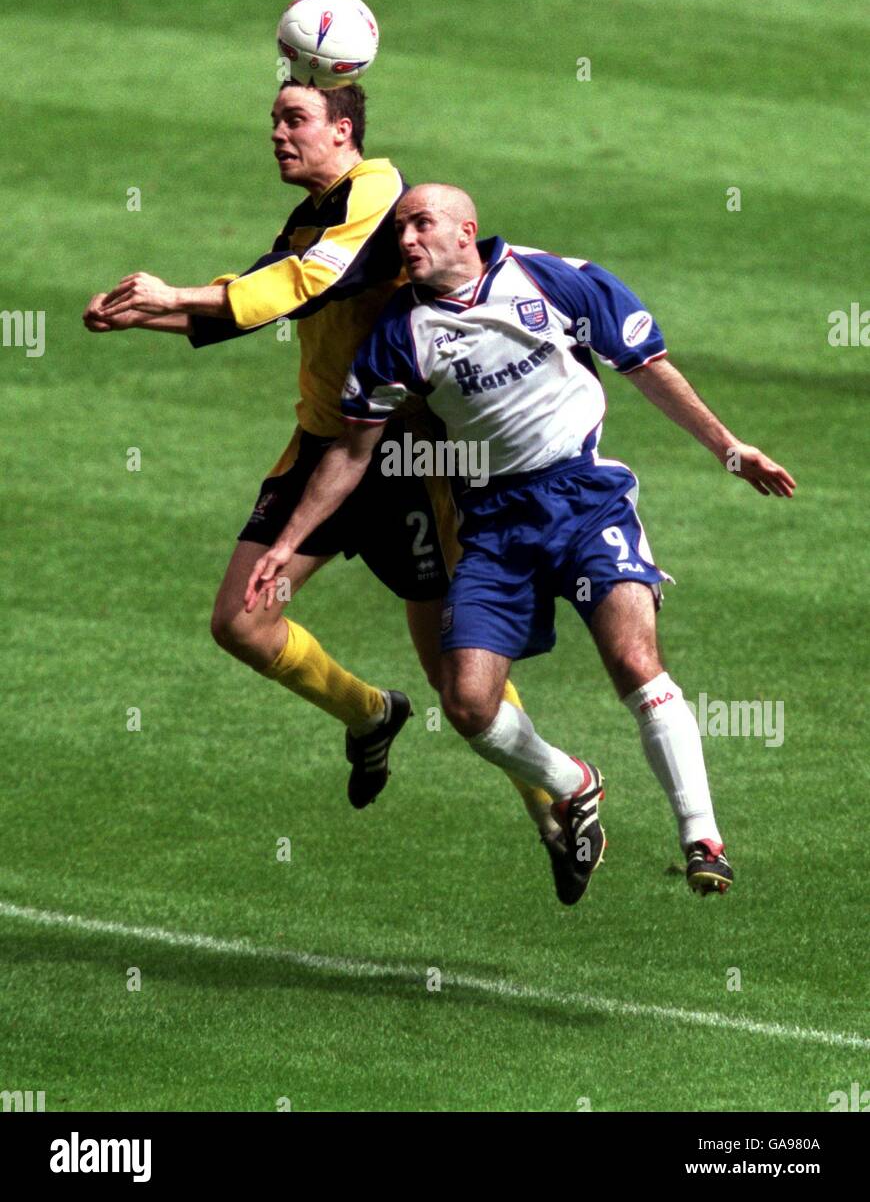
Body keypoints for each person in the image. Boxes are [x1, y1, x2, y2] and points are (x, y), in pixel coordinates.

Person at [244, 183, 797, 897]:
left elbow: (647, 368)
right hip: (495, 525)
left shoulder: (552, 277)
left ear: (466, 230)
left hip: (586, 500)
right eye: (401, 229)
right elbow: (351, 455)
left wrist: (730, 448)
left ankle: (702, 837)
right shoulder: (399, 333)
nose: (406, 239)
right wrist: (288, 541)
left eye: (422, 225)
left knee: (633, 659)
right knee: (469, 706)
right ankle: (574, 782)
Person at [81, 86, 559, 859]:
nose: (275, 133)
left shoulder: (374, 191)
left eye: (292, 119)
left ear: (342, 130)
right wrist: (149, 316)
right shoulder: (313, 215)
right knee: (241, 621)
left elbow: (308, 282)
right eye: (274, 119)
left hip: (402, 458)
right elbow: (265, 298)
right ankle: (370, 714)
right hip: (322, 447)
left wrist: (174, 292)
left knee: (454, 667)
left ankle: (552, 804)